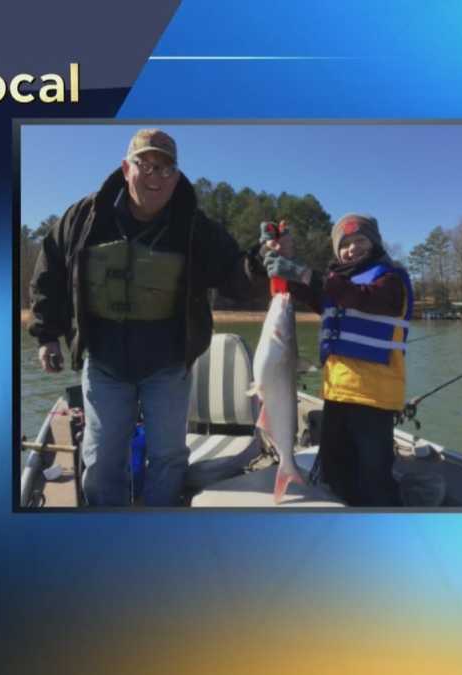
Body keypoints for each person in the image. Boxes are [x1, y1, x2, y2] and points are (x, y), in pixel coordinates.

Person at [29, 129, 266, 506]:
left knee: (169, 457)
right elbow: (50, 271)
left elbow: (237, 276)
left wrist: (260, 262)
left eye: (166, 167)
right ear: (127, 168)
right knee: (103, 458)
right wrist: (47, 334)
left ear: (176, 176)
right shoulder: (84, 216)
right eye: (146, 165)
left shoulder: (195, 227)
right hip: (105, 362)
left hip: (168, 366)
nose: (155, 176)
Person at [262, 213, 414, 506]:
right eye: (345, 244)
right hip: (336, 394)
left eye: (360, 240)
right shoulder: (337, 286)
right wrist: (274, 257)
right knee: (335, 473)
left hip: (374, 400)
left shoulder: (392, 279)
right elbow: (305, 292)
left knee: (374, 478)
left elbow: (362, 298)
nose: (352, 248)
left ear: (375, 243)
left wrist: (306, 273)